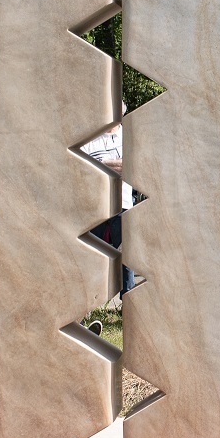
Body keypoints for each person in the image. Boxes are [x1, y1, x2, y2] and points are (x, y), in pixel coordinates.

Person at [81, 112, 135, 298]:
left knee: (126, 256)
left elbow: (132, 165)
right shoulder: (91, 138)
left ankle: (129, 302)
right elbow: (85, 168)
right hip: (96, 206)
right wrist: (117, 165)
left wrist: (102, 162)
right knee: (93, 256)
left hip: (123, 203)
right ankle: (87, 304)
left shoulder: (129, 137)